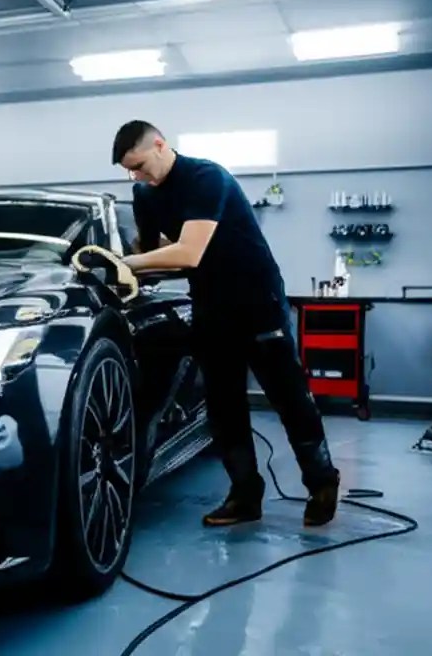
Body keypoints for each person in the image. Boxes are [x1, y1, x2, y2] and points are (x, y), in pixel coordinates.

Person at [107, 119, 340, 527]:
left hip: (257, 299)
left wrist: (121, 264)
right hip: (211, 305)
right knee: (224, 405)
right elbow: (150, 255)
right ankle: (245, 496)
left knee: (287, 395)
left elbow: (189, 252)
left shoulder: (205, 177)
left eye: (140, 164)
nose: (136, 175)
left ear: (161, 145)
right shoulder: (144, 194)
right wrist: (113, 267)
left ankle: (322, 483)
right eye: (128, 170)